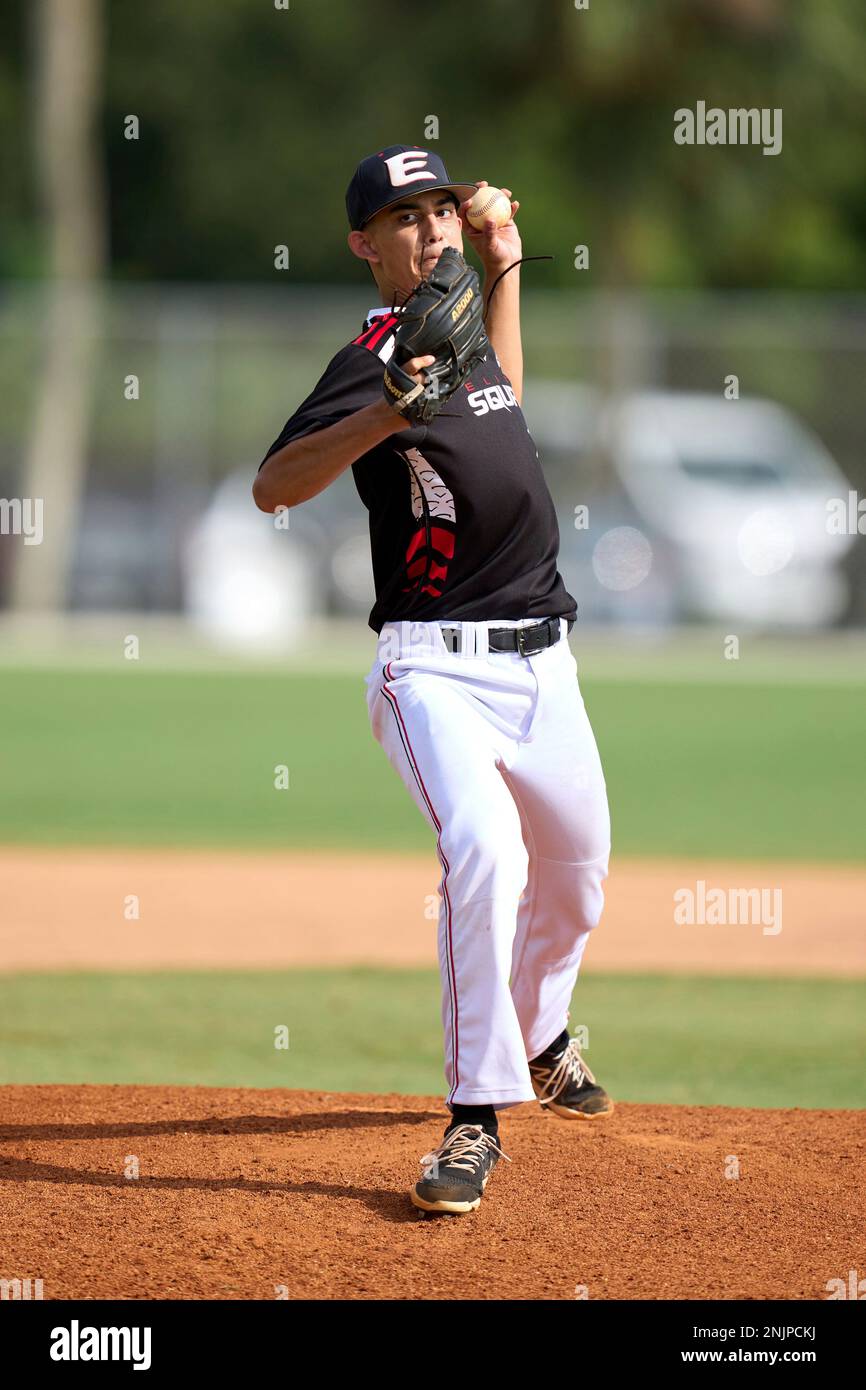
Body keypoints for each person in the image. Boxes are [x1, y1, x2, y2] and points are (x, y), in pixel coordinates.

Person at [254, 145, 613, 1217]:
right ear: (364, 244)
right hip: (432, 666)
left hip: (544, 660)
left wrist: (504, 258)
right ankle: (474, 1118)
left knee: (578, 876)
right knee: (482, 851)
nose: (430, 230)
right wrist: (388, 411)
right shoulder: (375, 355)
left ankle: (540, 1032)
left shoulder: (461, 317)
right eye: (404, 218)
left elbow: (502, 396)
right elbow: (274, 485)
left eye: (441, 209)